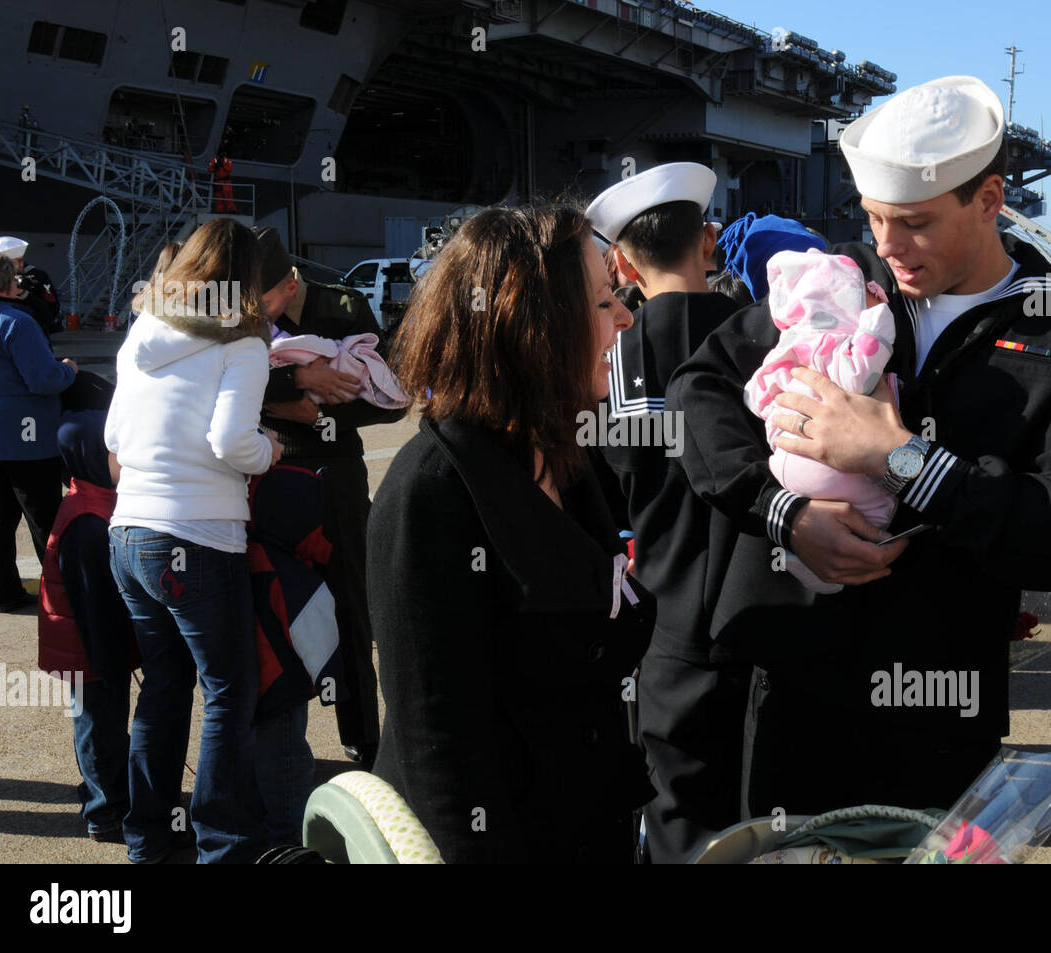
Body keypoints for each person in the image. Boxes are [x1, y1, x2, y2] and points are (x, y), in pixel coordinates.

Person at [669, 75, 1051, 817]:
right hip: (789, 686)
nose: (890, 245)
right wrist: (781, 510)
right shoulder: (842, 280)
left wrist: (902, 462)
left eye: (915, 222)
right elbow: (698, 391)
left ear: (989, 199)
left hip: (937, 715)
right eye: (875, 218)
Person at [368, 203, 653, 863]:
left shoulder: (569, 460)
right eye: (605, 300)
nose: (625, 319)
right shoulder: (430, 491)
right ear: (536, 326)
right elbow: (443, 759)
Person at [584, 162, 748, 863]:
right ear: (709, 241)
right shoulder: (769, 340)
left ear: (620, 261)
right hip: (773, 630)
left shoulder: (605, 358)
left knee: (677, 826)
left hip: (662, 638)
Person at [106, 218, 282, 864]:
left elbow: (113, 443)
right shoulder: (243, 345)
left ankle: (147, 837)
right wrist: (272, 449)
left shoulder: (141, 336)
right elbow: (231, 441)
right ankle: (225, 840)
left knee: (163, 683)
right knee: (230, 689)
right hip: (198, 536)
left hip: (128, 535)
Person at [256, 227, 403, 768]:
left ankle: (363, 739)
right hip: (268, 470)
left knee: (349, 609)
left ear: (290, 284)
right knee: (272, 611)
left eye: (266, 299)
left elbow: (388, 397)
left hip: (333, 470)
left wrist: (316, 407)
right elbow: (225, 383)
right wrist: (295, 383)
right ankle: (275, 749)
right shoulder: (243, 314)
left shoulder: (344, 309)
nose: (257, 312)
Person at [743, 251, 896, 593]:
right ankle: (861, 552)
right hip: (831, 465)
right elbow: (859, 377)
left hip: (785, 462)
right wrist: (879, 318)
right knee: (881, 510)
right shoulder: (837, 347)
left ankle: (801, 555)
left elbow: (756, 396)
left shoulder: (791, 346)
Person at [37, 411, 136, 843]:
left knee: (100, 726)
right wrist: (115, 660)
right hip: (89, 651)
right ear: (95, 456)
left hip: (91, 646)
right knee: (100, 729)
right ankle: (106, 811)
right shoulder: (87, 520)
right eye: (118, 450)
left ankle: (103, 792)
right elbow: (96, 606)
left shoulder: (95, 500)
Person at [0, 252, 77, 613]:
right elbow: (43, 379)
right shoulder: (16, 321)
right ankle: (61, 595)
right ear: (8, 285)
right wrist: (68, 370)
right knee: (44, 519)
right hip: (27, 436)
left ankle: (5, 592)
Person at [0, 237, 61, 339]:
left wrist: (24, 294)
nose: (19, 265)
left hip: (33, 331)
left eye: (20, 260)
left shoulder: (37, 276)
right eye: (13, 262)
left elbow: (51, 310)